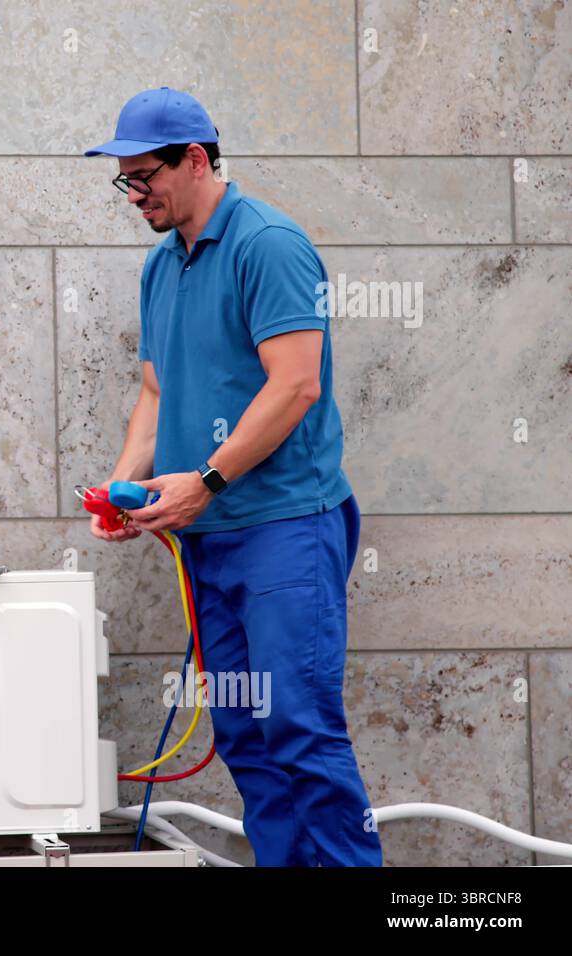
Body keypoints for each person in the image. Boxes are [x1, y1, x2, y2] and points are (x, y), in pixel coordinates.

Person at [84, 87, 381, 866]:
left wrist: (203, 482)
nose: (133, 193)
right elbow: (156, 390)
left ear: (195, 158)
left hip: (284, 527)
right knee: (246, 736)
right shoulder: (161, 265)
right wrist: (122, 488)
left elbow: (296, 385)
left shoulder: (269, 243)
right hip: (209, 539)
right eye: (124, 180)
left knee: (301, 729)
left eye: (142, 175)